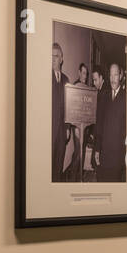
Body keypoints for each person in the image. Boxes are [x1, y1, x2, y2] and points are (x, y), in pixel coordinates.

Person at [96, 62, 127, 182]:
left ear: (120, 76)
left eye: (115, 75)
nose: (113, 79)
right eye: (111, 75)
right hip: (103, 157)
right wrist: (97, 149)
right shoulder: (103, 97)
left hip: (117, 158)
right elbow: (99, 125)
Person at [51, 43, 71, 181]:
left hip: (62, 130)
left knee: (59, 162)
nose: (53, 59)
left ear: (61, 59)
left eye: (56, 56)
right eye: (51, 56)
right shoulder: (44, 78)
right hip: (49, 129)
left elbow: (68, 106)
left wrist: (68, 128)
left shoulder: (66, 80)